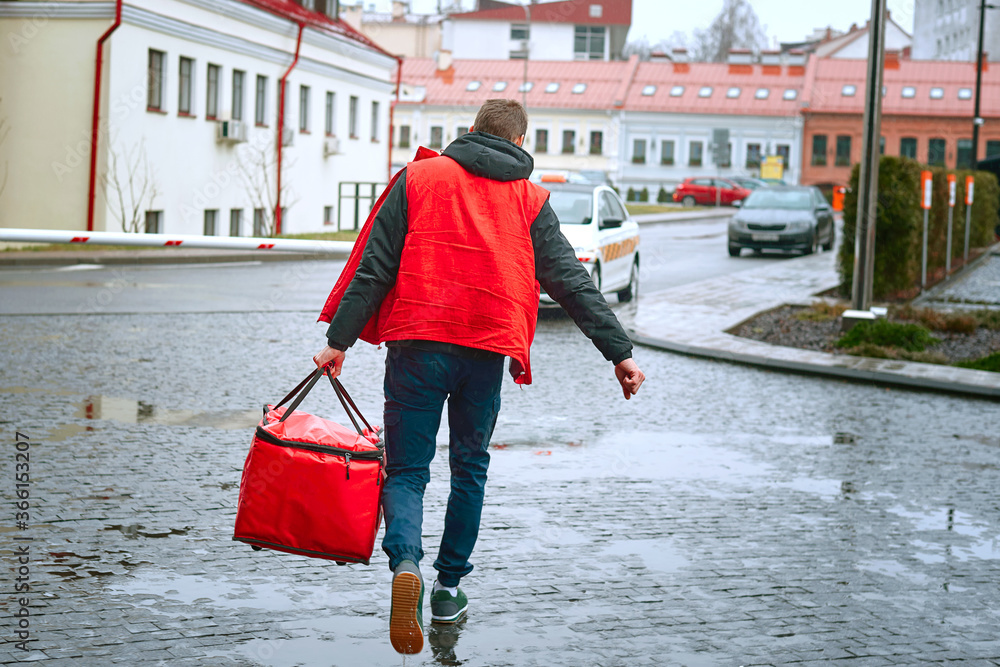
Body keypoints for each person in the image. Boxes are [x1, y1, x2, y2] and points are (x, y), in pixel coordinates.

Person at [314, 99, 645, 655]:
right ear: (519, 143)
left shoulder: (418, 178)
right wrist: (620, 353)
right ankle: (447, 590)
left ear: (469, 131)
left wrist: (337, 342)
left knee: (407, 470)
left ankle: (406, 564)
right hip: (485, 349)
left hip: (417, 343)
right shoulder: (530, 199)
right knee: (469, 467)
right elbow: (571, 282)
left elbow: (375, 267)